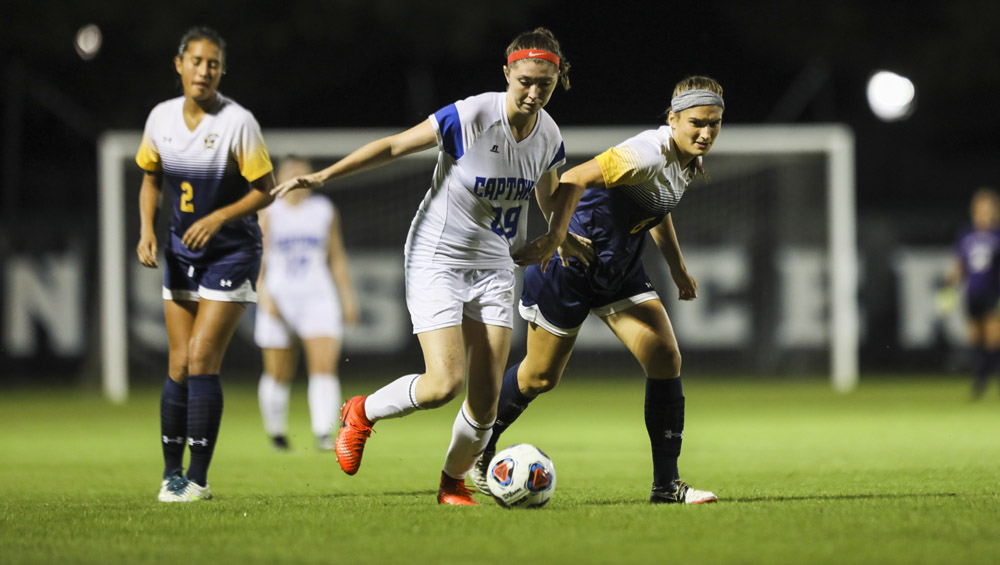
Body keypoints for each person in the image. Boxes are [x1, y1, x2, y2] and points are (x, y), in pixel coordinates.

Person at [272, 27, 582, 505]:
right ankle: (361, 412)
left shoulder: (549, 134)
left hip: (496, 264)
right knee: (443, 384)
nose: (533, 92)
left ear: (557, 80)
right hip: (437, 255)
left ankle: (451, 483)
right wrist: (325, 175)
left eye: (544, 83)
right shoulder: (473, 114)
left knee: (485, 402)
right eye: (524, 81)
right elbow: (396, 145)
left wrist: (557, 233)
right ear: (507, 74)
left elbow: (550, 188)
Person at [470, 76, 725, 505]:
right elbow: (572, 178)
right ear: (673, 118)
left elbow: (657, 206)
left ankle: (666, 486)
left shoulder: (683, 161)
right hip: (572, 264)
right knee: (539, 376)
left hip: (619, 266)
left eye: (715, 124)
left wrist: (678, 269)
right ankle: (477, 448)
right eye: (697, 122)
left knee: (665, 357)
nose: (706, 133)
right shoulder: (647, 150)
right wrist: (557, 237)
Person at [136, 27, 276, 502]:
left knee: (201, 357)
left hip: (232, 249)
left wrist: (218, 218)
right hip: (180, 249)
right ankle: (171, 475)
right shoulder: (160, 118)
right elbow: (150, 178)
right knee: (178, 362)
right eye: (196, 61)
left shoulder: (239, 123)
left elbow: (265, 189)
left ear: (221, 71)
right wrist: (148, 231)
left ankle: (197, 479)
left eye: (212, 63)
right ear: (179, 65)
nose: (204, 70)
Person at [255, 156, 359, 451]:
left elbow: (336, 257)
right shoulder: (269, 210)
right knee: (278, 371)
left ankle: (324, 433)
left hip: (317, 296)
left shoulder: (323, 210)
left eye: (302, 173)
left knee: (324, 366)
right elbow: (258, 257)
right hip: (279, 296)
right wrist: (263, 295)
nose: (297, 178)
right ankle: (276, 432)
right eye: (291, 172)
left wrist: (347, 298)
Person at [941, 187, 1000, 399]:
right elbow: (960, 265)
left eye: (986, 207)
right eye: (979, 207)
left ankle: (986, 380)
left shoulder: (997, 234)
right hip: (973, 294)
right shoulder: (966, 235)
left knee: (994, 338)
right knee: (976, 339)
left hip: (993, 293)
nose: (982, 212)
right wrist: (949, 284)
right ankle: (980, 381)